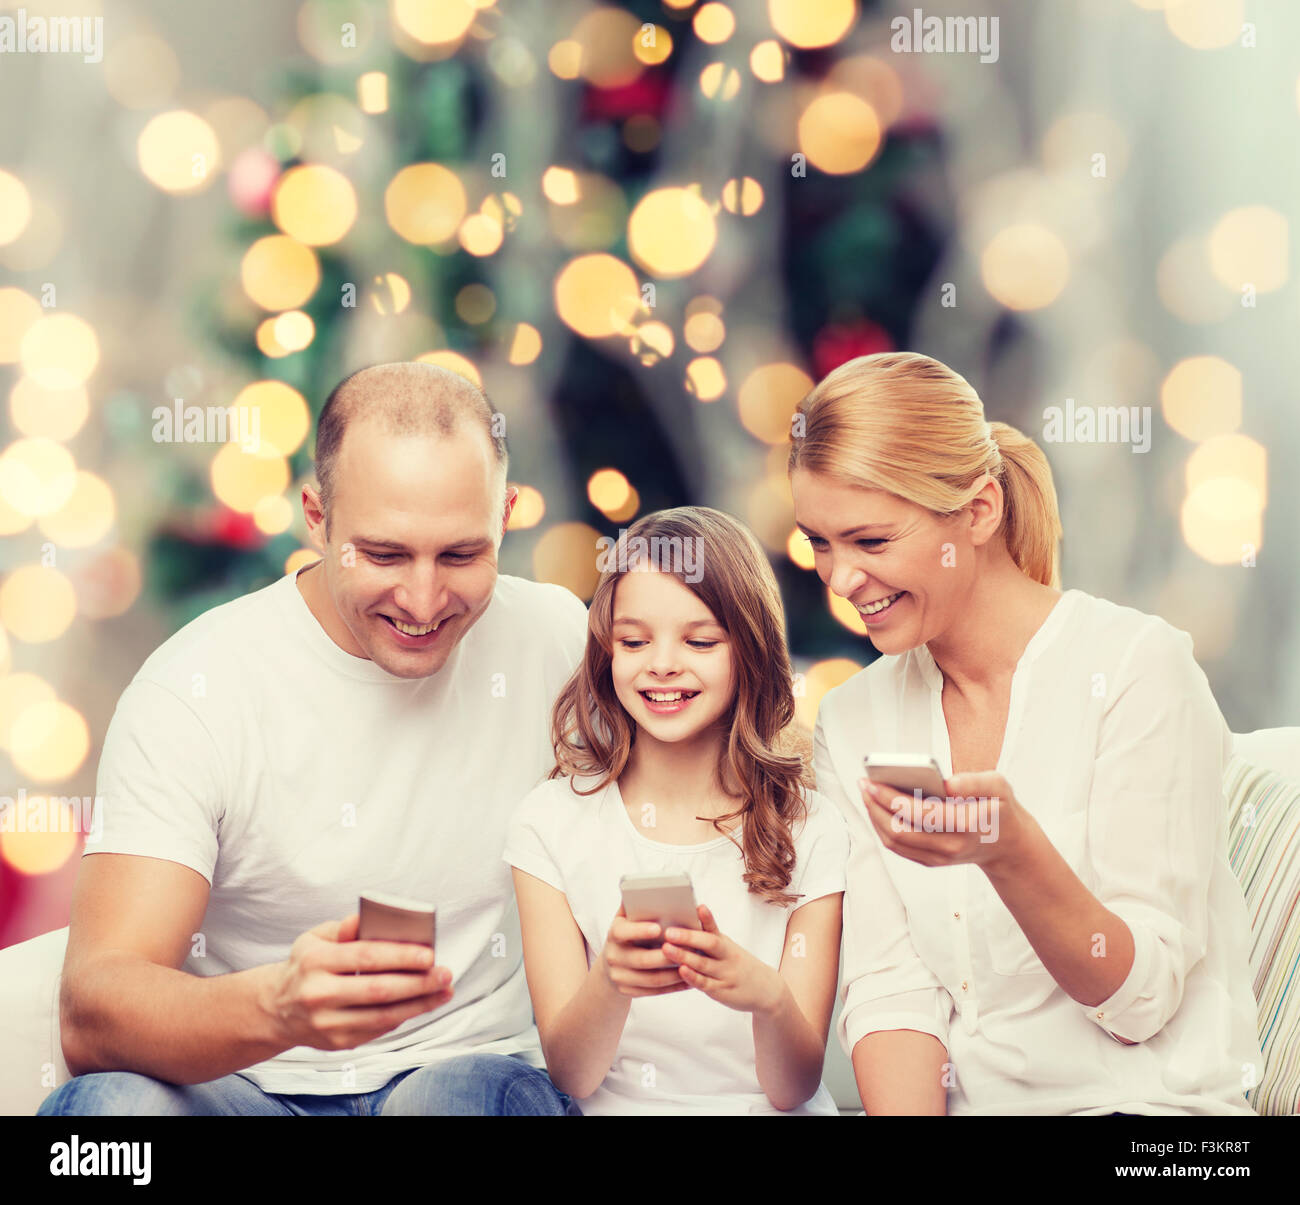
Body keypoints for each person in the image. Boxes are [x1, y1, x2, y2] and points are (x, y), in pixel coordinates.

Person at [38, 361, 588, 1117]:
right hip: (243, 1087)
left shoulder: (560, 641)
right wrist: (280, 1009)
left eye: (461, 554)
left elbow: (720, 769)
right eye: (386, 554)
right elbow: (93, 1011)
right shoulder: (194, 689)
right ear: (317, 516)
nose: (424, 600)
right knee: (106, 1112)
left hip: (459, 1075)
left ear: (508, 516)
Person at [790, 350, 1263, 1115]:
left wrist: (1010, 853)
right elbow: (892, 993)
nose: (840, 580)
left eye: (870, 542)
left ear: (978, 511)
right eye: (819, 543)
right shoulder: (853, 717)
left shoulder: (1138, 668)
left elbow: (1140, 999)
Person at [503, 507, 849, 1115]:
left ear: (750, 651)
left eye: (699, 641)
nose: (661, 663)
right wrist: (611, 977)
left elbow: (792, 1088)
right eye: (634, 641)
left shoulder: (811, 827)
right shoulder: (550, 823)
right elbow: (572, 1075)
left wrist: (766, 996)